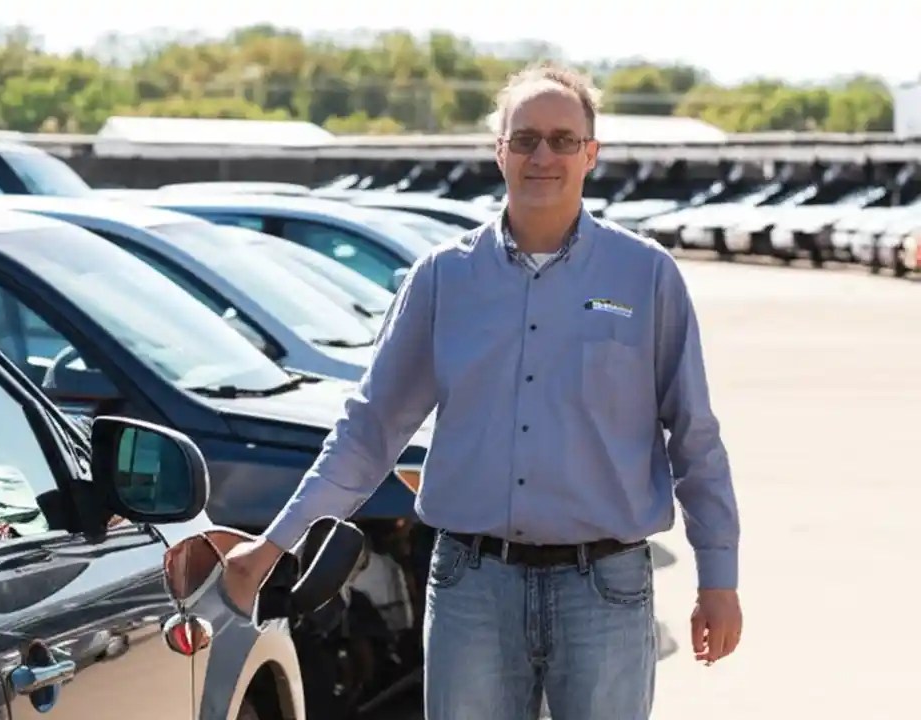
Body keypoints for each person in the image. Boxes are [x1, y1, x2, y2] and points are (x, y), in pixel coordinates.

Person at [222, 62, 743, 719]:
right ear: (500, 153)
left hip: (604, 592)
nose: (542, 156)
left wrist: (717, 579)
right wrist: (271, 547)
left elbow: (695, 439)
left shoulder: (647, 276)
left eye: (561, 139)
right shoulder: (444, 280)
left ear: (591, 154)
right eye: (524, 139)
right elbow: (369, 431)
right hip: (473, 588)